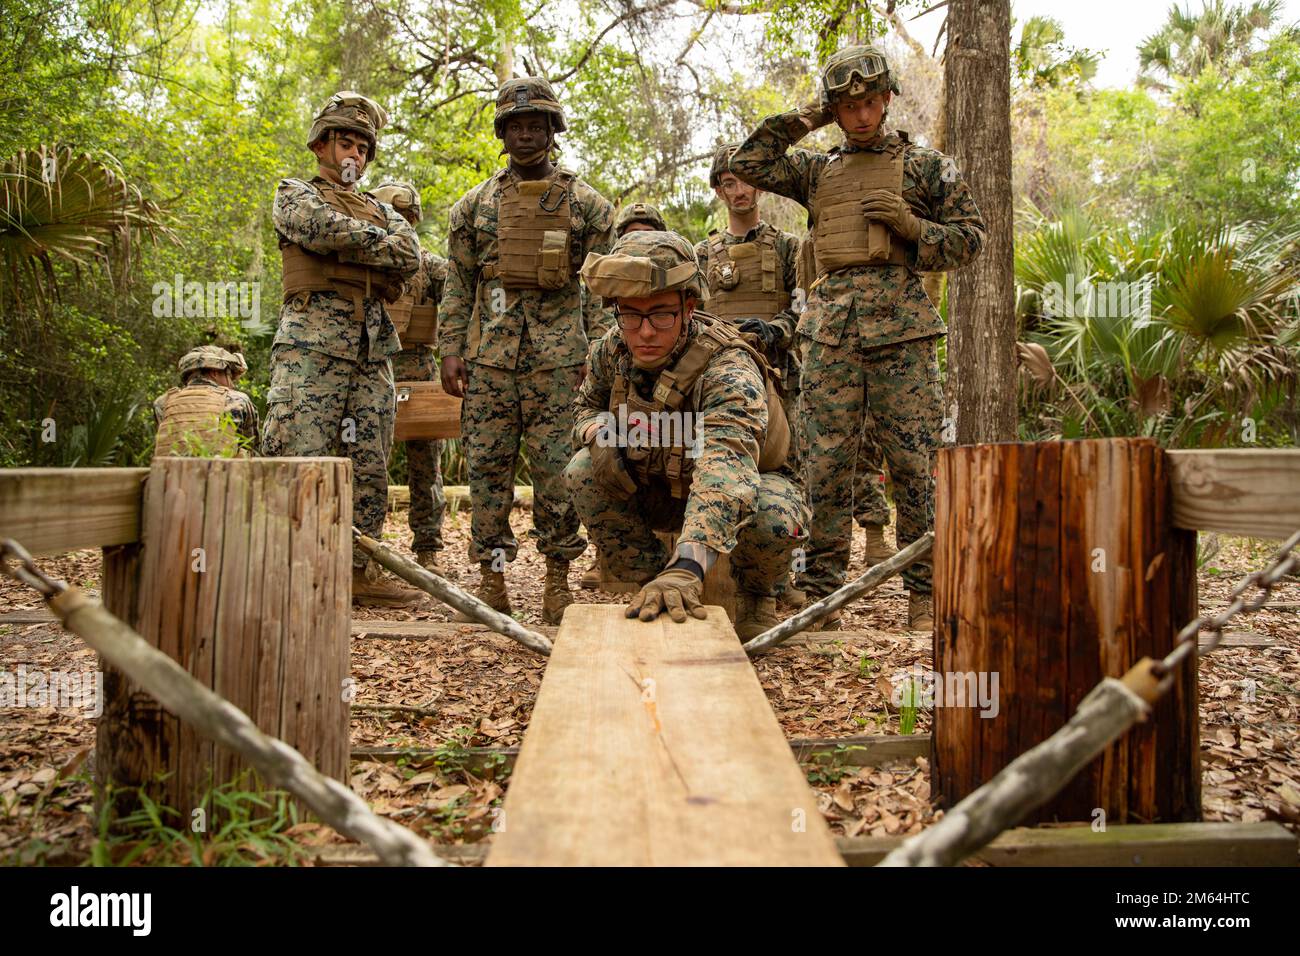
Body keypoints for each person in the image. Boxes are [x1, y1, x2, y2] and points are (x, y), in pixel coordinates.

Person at [730, 45, 986, 631]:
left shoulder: (928, 167)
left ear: (888, 99)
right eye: (847, 106)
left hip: (903, 332)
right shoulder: (817, 171)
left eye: (870, 102)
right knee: (826, 464)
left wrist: (913, 226)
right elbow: (750, 160)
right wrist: (810, 116)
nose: (862, 116)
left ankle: (926, 593)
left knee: (914, 465)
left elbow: (972, 241)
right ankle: (823, 592)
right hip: (829, 336)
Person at [565, 230, 809, 639]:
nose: (644, 332)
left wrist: (688, 566)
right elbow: (583, 406)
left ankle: (756, 595)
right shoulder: (613, 348)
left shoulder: (727, 366)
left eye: (660, 315)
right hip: (659, 485)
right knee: (584, 470)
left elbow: (726, 469)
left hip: (738, 495)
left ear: (688, 307)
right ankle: (648, 581)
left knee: (775, 512)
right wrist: (599, 430)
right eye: (630, 315)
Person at [440, 77, 616, 624]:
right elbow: (457, 282)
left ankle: (557, 580)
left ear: (551, 131)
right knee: (488, 472)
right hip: (489, 359)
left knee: (557, 471)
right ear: (502, 132)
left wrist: (601, 353)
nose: (525, 135)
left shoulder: (587, 205)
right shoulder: (472, 208)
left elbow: (602, 285)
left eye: (535, 125)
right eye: (515, 126)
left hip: (561, 362)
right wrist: (450, 347)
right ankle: (491, 578)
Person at [264, 91, 427, 608]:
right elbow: (318, 227)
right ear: (320, 145)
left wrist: (356, 244)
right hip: (310, 347)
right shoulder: (293, 193)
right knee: (301, 456)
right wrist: (370, 245)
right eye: (343, 142)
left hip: (371, 348)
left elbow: (410, 253)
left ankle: (359, 569)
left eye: (361, 146)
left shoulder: (384, 209)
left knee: (369, 463)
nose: (352, 154)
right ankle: (292, 573)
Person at [370, 181, 452, 578]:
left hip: (418, 368)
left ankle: (428, 548)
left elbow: (458, 302)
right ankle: (369, 548)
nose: (400, 222)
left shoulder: (430, 265)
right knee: (369, 464)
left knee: (425, 466)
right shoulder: (365, 261)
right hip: (372, 368)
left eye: (406, 217)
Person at [153, 346, 259, 458]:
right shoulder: (238, 400)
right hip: (219, 473)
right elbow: (251, 450)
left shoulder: (162, 402)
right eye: (229, 376)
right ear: (214, 372)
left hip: (170, 474)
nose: (232, 384)